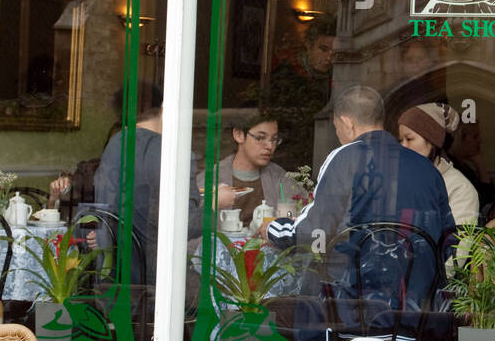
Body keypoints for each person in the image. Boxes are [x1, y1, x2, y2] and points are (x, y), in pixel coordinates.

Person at [266, 86, 455, 341]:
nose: (339, 135)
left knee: (301, 287)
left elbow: (313, 231)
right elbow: (448, 243)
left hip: (349, 318)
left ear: (347, 122)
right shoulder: (427, 169)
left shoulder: (344, 157)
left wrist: (275, 229)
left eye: (337, 128)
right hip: (414, 320)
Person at [92, 86, 236, 281]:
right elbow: (187, 226)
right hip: (157, 280)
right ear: (164, 108)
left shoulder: (114, 145)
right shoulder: (173, 152)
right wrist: (215, 202)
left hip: (114, 277)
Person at [266, 16, 336, 169]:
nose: (329, 57)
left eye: (334, 51)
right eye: (323, 49)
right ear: (308, 45)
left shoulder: (338, 77)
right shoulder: (284, 77)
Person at [397, 102, 479, 228]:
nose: (403, 147)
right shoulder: (399, 180)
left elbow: (460, 244)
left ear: (432, 141)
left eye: (409, 139)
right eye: (400, 140)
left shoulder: (459, 188)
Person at [215, 110, 288, 226]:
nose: (269, 146)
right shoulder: (212, 178)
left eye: (274, 139)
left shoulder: (281, 178)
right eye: (260, 138)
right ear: (238, 134)